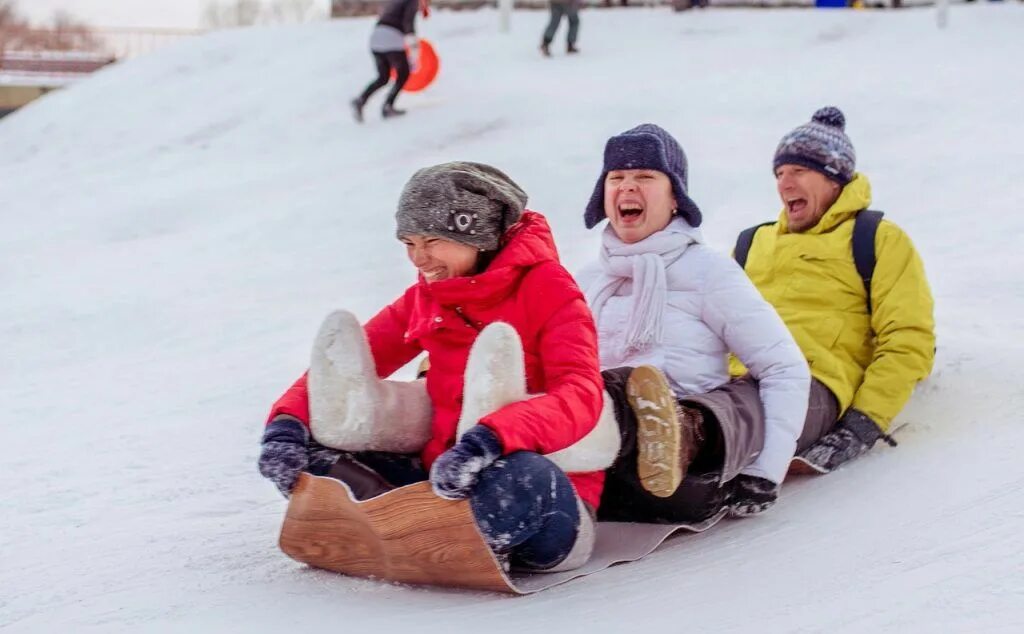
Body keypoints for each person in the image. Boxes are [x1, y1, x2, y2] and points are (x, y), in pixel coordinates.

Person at [258, 162, 616, 572]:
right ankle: (401, 523)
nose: (419, 258)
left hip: (550, 494)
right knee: (313, 447)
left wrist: (492, 439)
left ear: (477, 235)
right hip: (443, 482)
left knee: (516, 475)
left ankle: (416, 526)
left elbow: (580, 395)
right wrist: (286, 423)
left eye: (431, 240)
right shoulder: (428, 296)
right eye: (409, 242)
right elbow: (343, 370)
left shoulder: (549, 290)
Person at [576, 124, 811, 522]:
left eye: (646, 177)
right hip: (596, 454)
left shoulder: (707, 272)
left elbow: (782, 367)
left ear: (674, 200)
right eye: (616, 178)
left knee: (613, 389)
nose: (628, 187)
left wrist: (764, 471)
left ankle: (656, 428)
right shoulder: (587, 280)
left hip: (682, 470)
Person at [732, 106, 935, 473]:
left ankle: (684, 434)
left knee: (735, 415)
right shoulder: (752, 243)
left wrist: (863, 424)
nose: (784, 183)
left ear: (834, 179)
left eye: (799, 171)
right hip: (728, 381)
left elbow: (908, 339)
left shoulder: (877, 239)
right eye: (779, 173)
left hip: (808, 386)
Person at [350, 0, 429, 122]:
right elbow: (408, 25)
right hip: (391, 38)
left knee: (383, 77)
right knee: (404, 73)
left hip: (375, 38)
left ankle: (360, 100)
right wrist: (414, 56)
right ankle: (388, 106)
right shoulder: (412, 1)